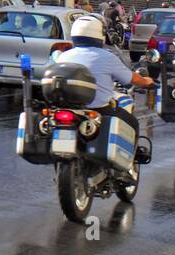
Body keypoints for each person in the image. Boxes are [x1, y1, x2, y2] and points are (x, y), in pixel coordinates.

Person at [50, 15, 155, 158]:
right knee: (132, 123)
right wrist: (146, 81)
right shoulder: (107, 56)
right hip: (99, 109)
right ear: (99, 35)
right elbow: (130, 78)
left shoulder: (64, 56)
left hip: (68, 107)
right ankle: (133, 157)